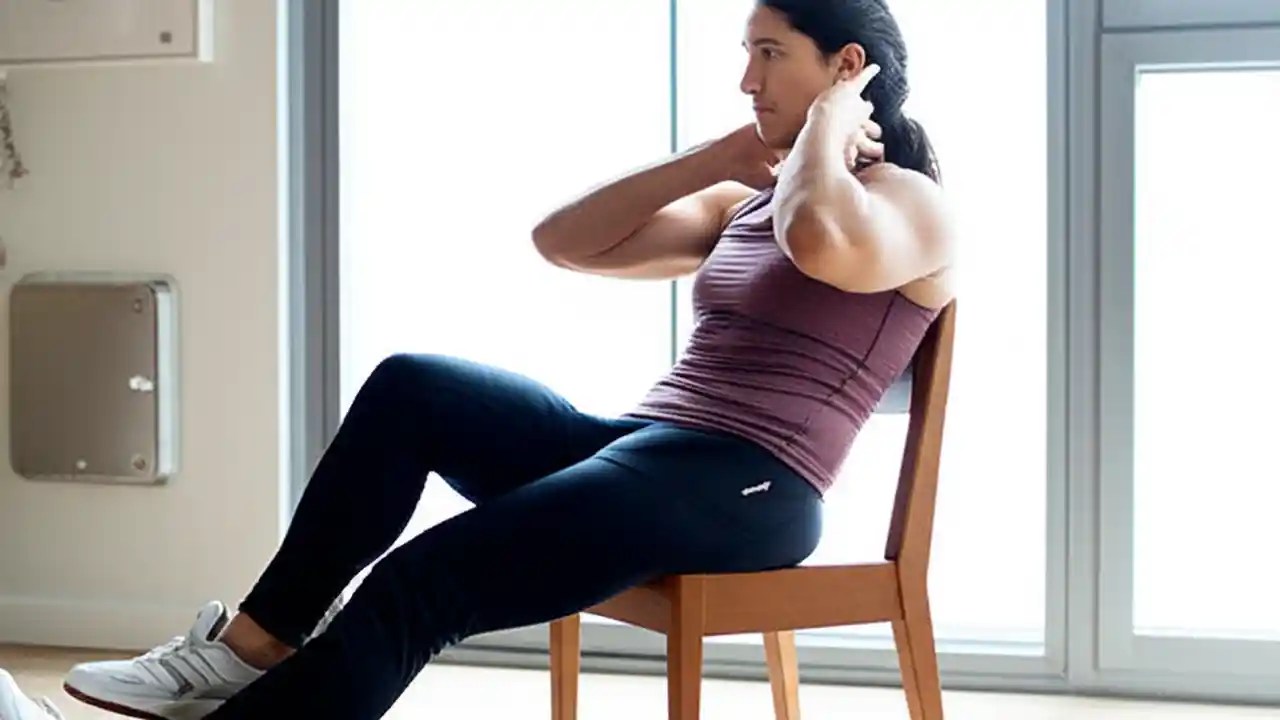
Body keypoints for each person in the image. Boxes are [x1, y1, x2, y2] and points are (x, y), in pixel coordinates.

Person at [2, 1, 955, 718]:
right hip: (646, 448)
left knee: (422, 584)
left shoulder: (913, 205)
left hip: (751, 485)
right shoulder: (744, 203)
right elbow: (565, 241)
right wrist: (711, 159)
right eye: (744, 54)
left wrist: (829, 125)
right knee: (417, 386)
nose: (748, 80)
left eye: (769, 54)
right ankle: (248, 649)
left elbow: (823, 237)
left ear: (846, 66)